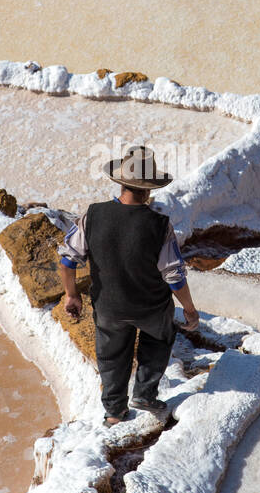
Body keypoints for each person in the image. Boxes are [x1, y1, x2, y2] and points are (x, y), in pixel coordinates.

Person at [56, 145, 200, 427]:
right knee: (158, 340)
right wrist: (190, 310)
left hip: (108, 306)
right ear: (148, 189)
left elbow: (67, 260)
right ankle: (145, 395)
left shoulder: (93, 215)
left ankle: (114, 412)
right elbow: (173, 275)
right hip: (151, 307)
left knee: (110, 357)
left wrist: (71, 295)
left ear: (121, 182)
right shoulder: (160, 224)